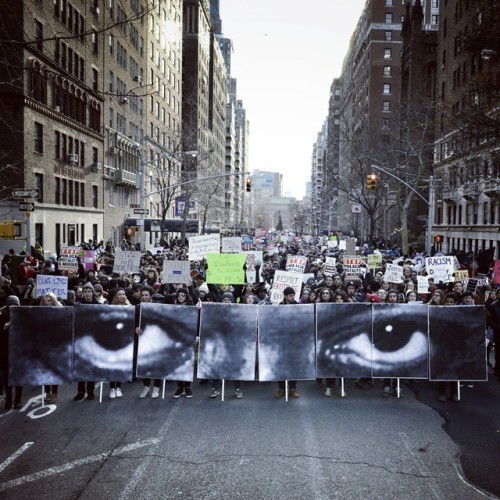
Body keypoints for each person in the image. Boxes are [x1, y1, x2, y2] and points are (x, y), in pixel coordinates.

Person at [209, 292, 243, 399]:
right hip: (219, 343)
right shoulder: (216, 314)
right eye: (225, 300)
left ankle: (238, 389)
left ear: (232, 301)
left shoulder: (237, 313)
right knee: (217, 365)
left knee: (235, 366)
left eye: (229, 300)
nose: (227, 302)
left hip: (233, 344)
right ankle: (215, 388)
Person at [135, 286, 162, 399]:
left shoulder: (158, 307)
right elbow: (134, 321)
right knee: (144, 363)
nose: (145, 297)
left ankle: (156, 386)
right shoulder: (138, 307)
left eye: (147, 295)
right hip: (142, 340)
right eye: (143, 295)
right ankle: (146, 386)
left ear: (151, 296)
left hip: (155, 339)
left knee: (156, 363)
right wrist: (136, 328)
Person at [73, 283, 99, 401]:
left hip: (93, 340)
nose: (87, 293)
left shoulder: (98, 305)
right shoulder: (77, 305)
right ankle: (80, 391)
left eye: (89, 291)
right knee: (80, 366)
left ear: (92, 292)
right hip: (80, 339)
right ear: (82, 293)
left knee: (91, 366)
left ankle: (90, 390)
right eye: (85, 291)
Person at [38, 292, 64, 404]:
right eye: (45, 300)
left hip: (56, 346)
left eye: (49, 300)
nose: (47, 302)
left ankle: (54, 392)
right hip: (43, 345)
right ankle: (47, 392)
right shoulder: (39, 311)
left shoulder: (60, 311)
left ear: (53, 300)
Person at [275, 287, 300, 399]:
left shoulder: (297, 306)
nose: (292, 297)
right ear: (285, 296)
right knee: (281, 365)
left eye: (293, 295)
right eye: (290, 295)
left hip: (294, 339)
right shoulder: (279, 307)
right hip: (281, 339)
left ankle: (292, 388)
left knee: (293, 365)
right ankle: (281, 388)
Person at [0, 296, 23, 410]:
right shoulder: (1, 314)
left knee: (19, 376)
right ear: (8, 305)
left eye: (16, 305)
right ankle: (9, 399)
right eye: (12, 305)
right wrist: (4, 327)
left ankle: (18, 399)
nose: (14, 307)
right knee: (7, 377)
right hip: (5, 351)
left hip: (18, 351)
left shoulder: (22, 315)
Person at [108, 289, 131, 399]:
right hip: (113, 340)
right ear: (116, 296)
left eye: (123, 294)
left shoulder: (130, 308)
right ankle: (112, 388)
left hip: (124, 341)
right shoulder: (110, 308)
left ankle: (119, 387)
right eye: (119, 294)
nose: (122, 296)